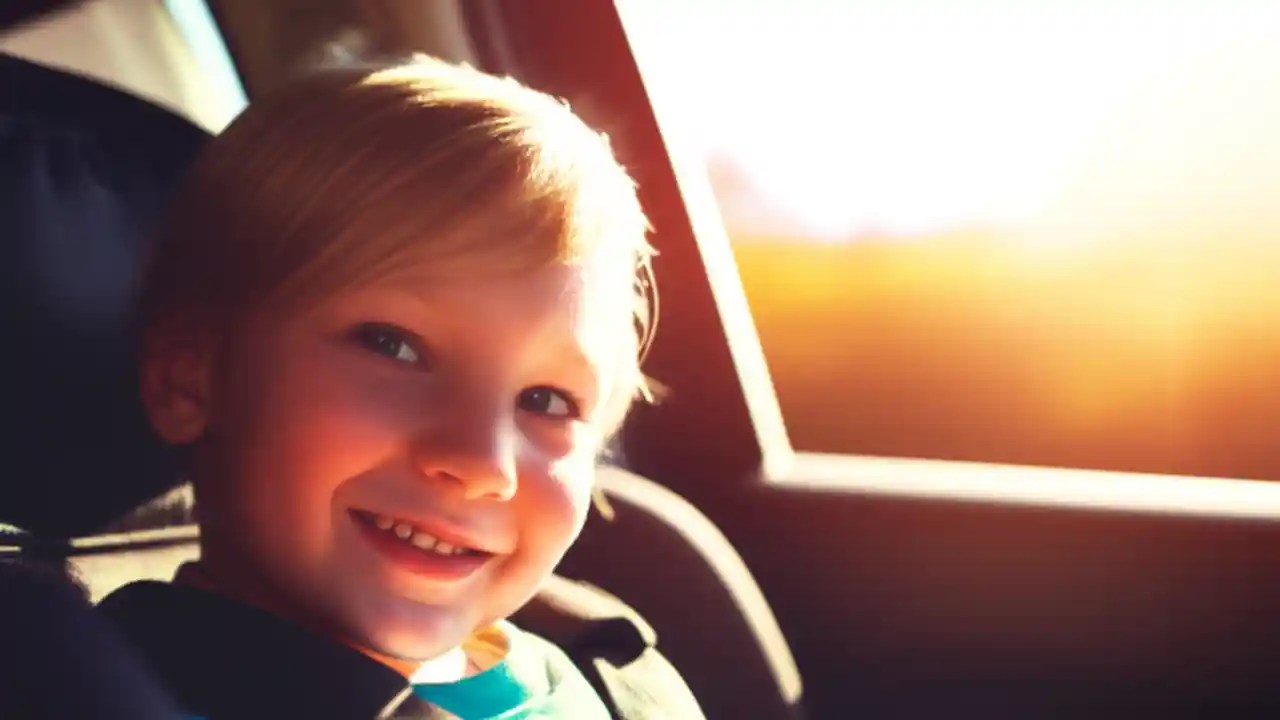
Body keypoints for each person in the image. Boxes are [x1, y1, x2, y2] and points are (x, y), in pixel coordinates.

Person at [97, 55, 663, 719]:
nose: (483, 463)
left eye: (546, 401)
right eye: (393, 346)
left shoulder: (597, 667)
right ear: (189, 378)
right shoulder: (103, 691)